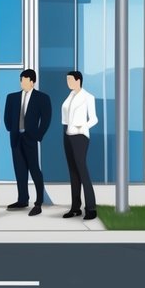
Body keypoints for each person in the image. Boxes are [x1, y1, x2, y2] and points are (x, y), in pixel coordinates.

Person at [4, 69, 51, 215]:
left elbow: (46, 118)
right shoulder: (12, 97)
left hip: (31, 138)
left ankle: (38, 202)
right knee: (20, 171)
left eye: (24, 80)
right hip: (16, 138)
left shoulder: (42, 98)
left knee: (34, 170)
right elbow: (7, 117)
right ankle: (22, 199)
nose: (21, 82)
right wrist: (12, 129)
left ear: (32, 81)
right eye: (20, 79)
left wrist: (38, 135)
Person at [60, 70, 98, 220]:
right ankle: (75, 207)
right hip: (67, 134)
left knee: (82, 170)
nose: (67, 82)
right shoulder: (69, 96)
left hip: (80, 135)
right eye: (67, 79)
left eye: (70, 79)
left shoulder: (88, 97)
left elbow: (94, 118)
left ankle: (91, 207)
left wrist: (82, 127)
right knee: (73, 171)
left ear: (78, 80)